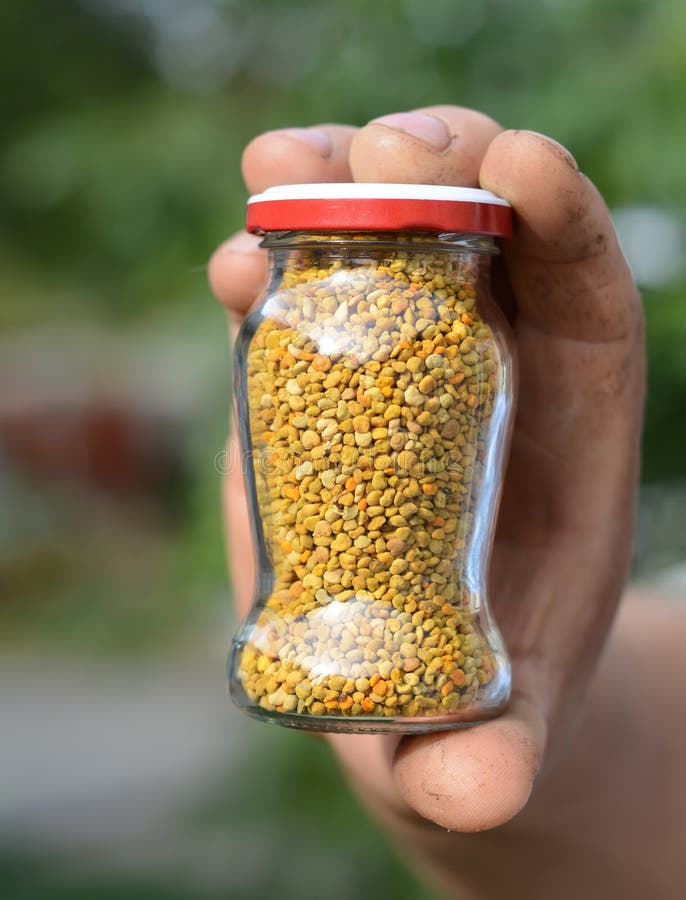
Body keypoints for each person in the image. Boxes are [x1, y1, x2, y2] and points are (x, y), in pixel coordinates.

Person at [208, 106, 686, 899]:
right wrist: (547, 713)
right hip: (391, 678)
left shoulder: (459, 322)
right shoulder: (289, 315)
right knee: (406, 152)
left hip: (462, 661)